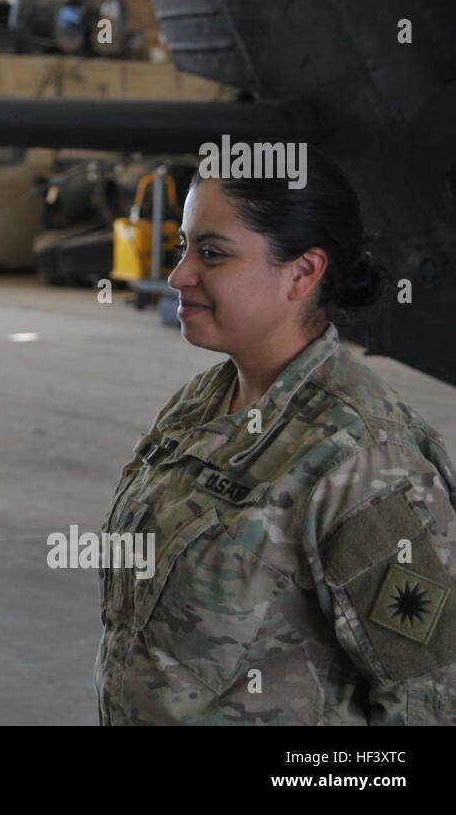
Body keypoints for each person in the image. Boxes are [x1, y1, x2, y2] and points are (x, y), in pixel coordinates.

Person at [96, 148, 456, 724]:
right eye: (183, 247)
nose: (178, 275)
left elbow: (431, 701)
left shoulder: (362, 459)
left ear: (304, 272)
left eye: (212, 253)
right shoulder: (201, 403)